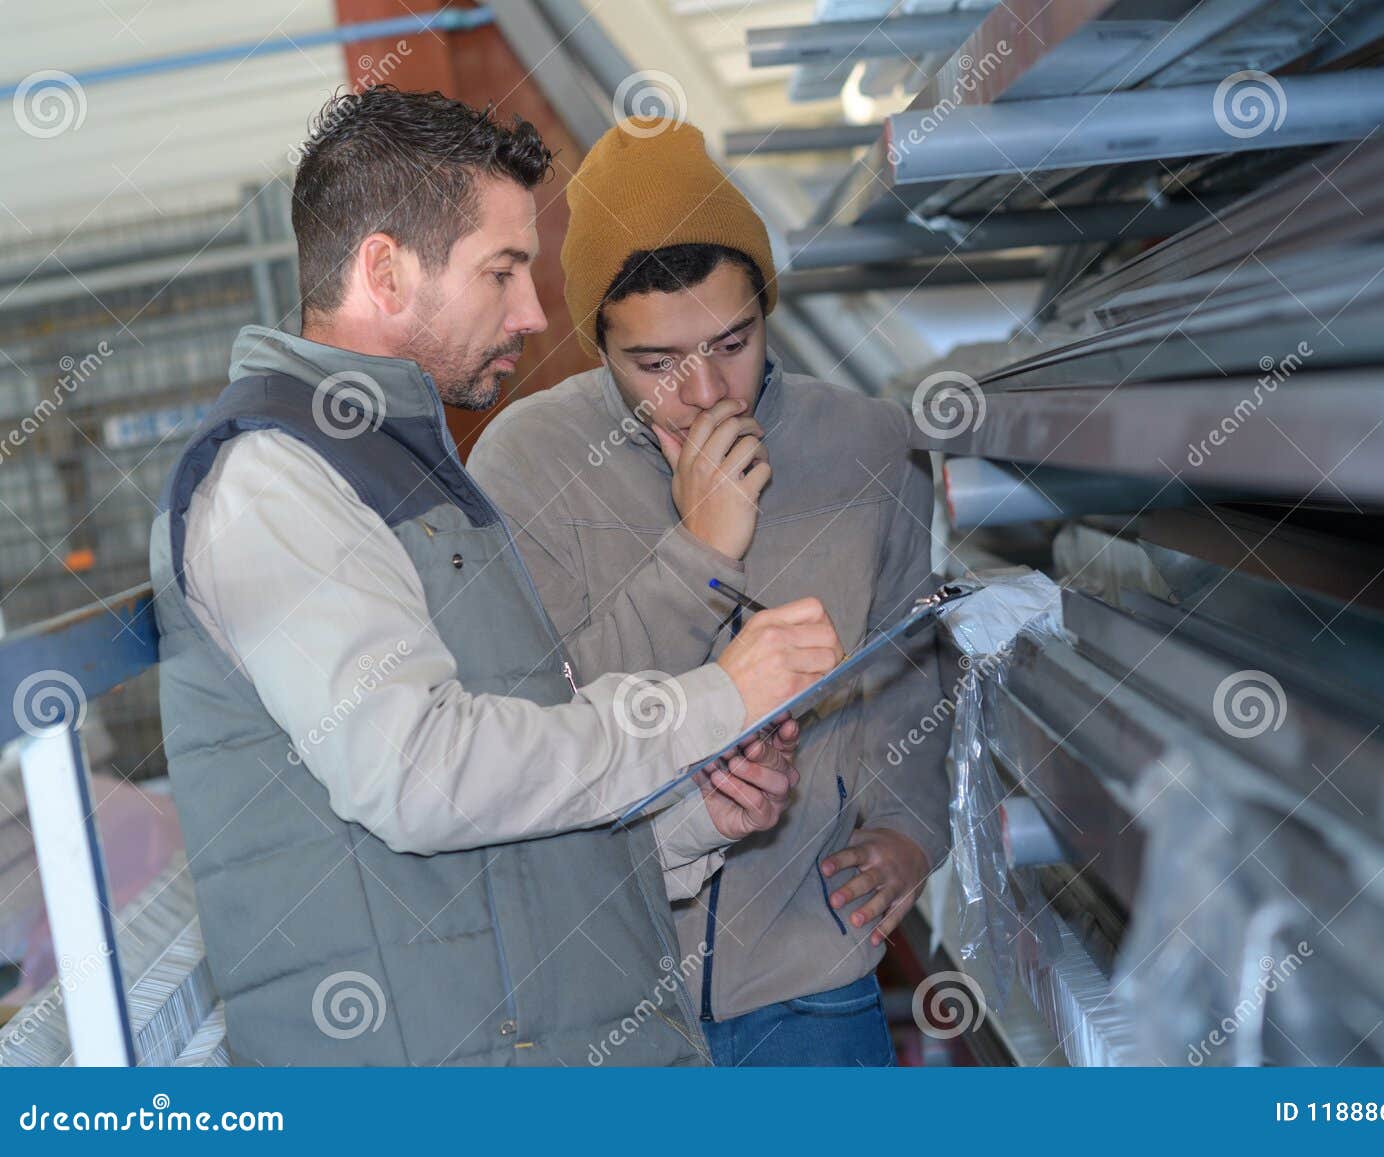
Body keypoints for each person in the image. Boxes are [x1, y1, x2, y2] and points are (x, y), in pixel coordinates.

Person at [147, 89, 842, 1066]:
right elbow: (418, 774)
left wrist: (688, 820)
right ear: (384, 270)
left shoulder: (405, 468)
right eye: (502, 271)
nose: (532, 309)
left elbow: (489, 828)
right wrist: (711, 700)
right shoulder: (275, 479)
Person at [469, 118, 952, 1067]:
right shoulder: (525, 464)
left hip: (812, 979)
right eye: (656, 365)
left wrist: (911, 828)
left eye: (734, 341)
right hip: (600, 998)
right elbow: (534, 724)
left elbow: (911, 655)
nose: (703, 392)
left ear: (768, 309)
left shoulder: (865, 442)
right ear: (596, 346)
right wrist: (699, 552)